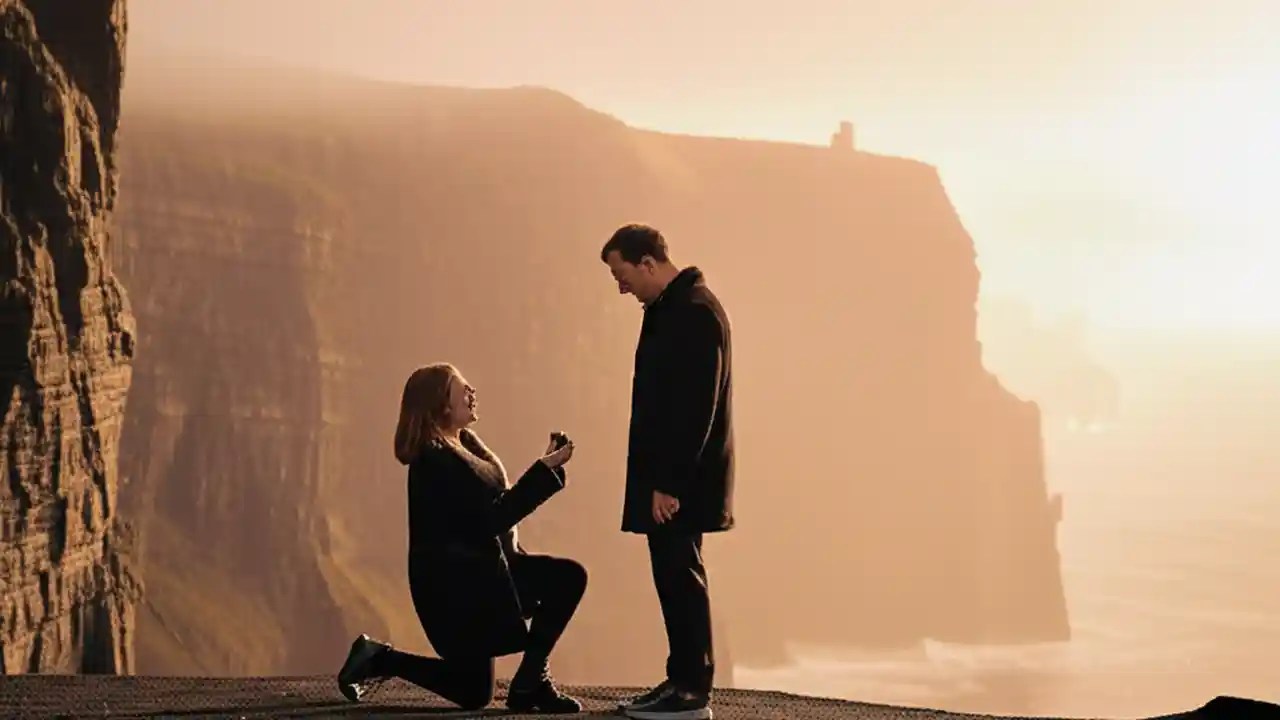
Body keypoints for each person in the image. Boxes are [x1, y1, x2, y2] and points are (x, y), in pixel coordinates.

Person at [335, 363, 587, 714]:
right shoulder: (434, 459)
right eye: (463, 389)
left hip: (481, 577)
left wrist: (544, 466)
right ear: (441, 403)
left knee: (473, 690)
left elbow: (492, 507)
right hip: (458, 591)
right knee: (566, 580)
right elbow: (490, 519)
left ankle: (380, 659)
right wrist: (544, 472)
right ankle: (530, 683)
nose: (472, 394)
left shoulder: (463, 445)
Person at [600, 224, 735, 720]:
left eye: (622, 274)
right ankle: (681, 680)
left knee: (681, 576)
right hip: (669, 480)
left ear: (648, 264)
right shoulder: (672, 310)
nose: (621, 286)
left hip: (679, 484)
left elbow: (695, 406)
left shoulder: (695, 313)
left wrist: (669, 484)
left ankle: (692, 691)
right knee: (673, 574)